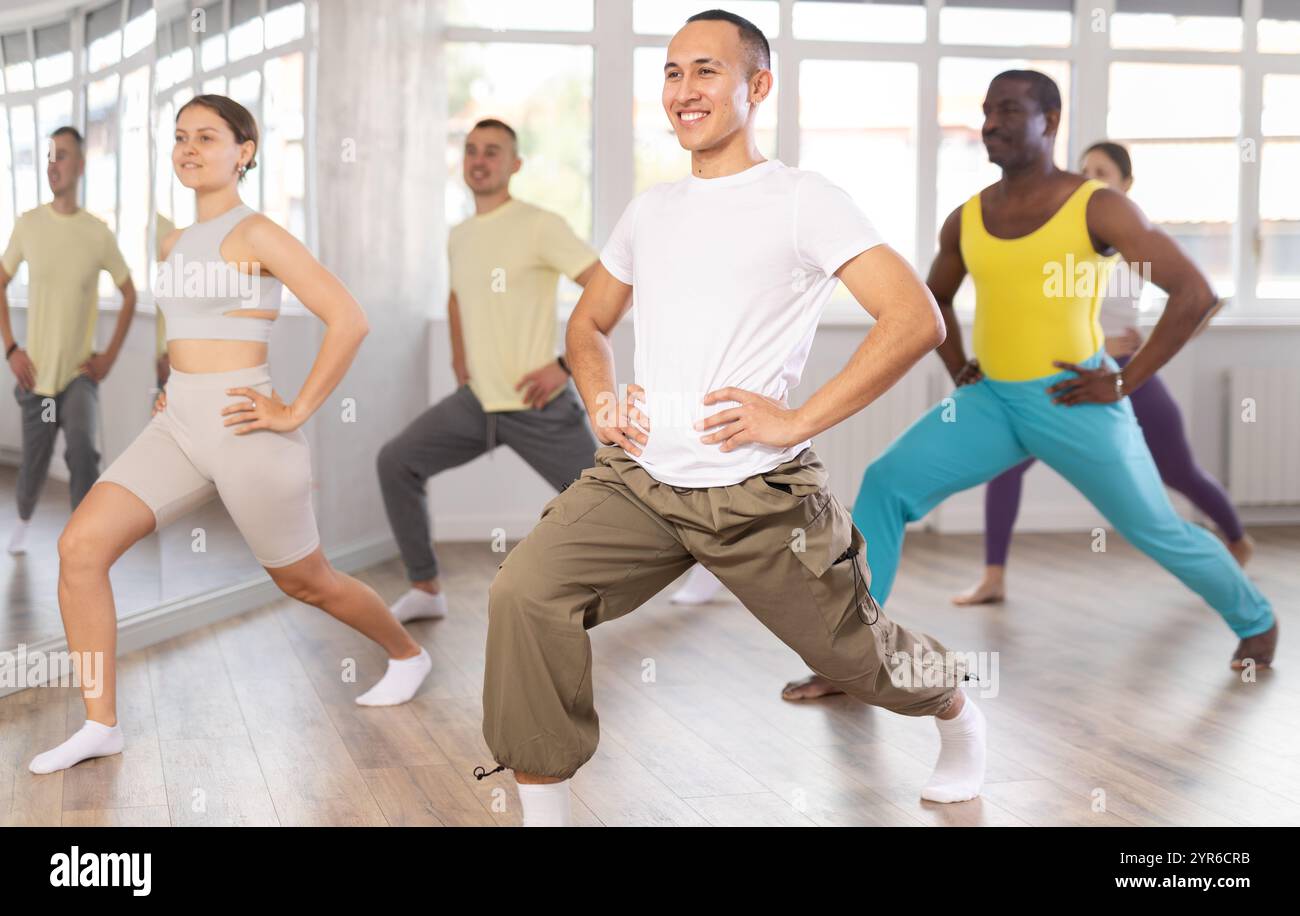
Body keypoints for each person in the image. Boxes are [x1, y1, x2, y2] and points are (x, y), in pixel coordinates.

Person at [480, 10, 986, 827]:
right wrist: (602, 398)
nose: (685, 90)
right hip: (641, 481)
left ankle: (960, 717)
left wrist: (793, 420)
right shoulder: (653, 210)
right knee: (523, 595)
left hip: (757, 496)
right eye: (673, 73)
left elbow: (915, 318)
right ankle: (546, 813)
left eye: (706, 71)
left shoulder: (802, 200)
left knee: (852, 658)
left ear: (756, 86)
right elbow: (587, 324)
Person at [781, 71, 1276, 703]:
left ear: (1051, 120)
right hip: (991, 404)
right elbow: (930, 301)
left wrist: (1124, 379)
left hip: (1072, 399)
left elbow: (1195, 293)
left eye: (1009, 110)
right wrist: (960, 367)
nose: (991, 122)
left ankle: (1256, 621)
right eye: (987, 111)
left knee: (1157, 527)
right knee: (887, 483)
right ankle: (854, 657)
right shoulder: (969, 219)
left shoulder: (1097, 206)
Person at [30, 95, 431, 775]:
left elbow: (349, 317)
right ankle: (101, 722)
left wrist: (295, 409)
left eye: (207, 137)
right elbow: (190, 328)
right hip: (178, 424)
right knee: (80, 547)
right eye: (180, 137)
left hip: (247, 426)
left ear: (243, 151)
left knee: (307, 581)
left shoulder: (258, 233)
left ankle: (407, 654)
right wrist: (174, 380)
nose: (188, 148)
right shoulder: (175, 241)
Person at [953, 140, 1251, 607]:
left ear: (1125, 184)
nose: (1090, 176)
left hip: (1126, 373)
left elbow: (1197, 299)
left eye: (1103, 171)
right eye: (1084, 167)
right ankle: (994, 576)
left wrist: (1132, 344)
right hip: (1071, 370)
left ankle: (1237, 541)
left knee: (1178, 469)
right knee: (1007, 464)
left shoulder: (1133, 239)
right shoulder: (1068, 232)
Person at [377, 118, 599, 623]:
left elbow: (606, 288)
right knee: (396, 462)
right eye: (472, 150)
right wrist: (461, 361)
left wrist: (564, 365)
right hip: (479, 401)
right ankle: (426, 587)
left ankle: (691, 559)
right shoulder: (459, 235)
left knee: (609, 504)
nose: (479, 160)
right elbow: (456, 297)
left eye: (492, 151)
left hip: (537, 404)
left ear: (514, 164)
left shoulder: (540, 225)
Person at [1, 126, 137, 555]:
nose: (52, 164)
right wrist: (11, 348)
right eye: (49, 156)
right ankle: (22, 520)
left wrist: (108, 358)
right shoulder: (28, 225)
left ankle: (83, 542)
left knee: (82, 450)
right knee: (34, 468)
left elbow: (130, 291)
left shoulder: (98, 233)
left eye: (61, 156)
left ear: (79, 166)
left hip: (79, 376)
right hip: (38, 380)